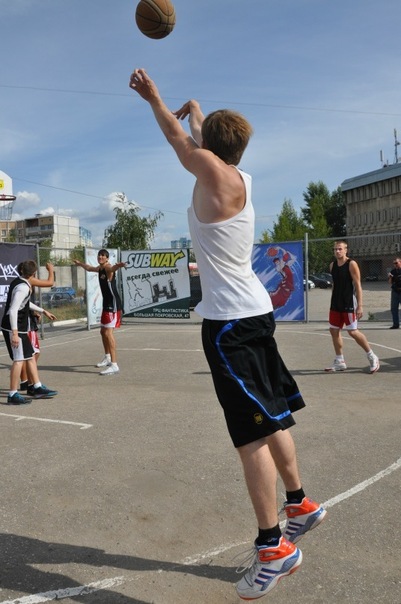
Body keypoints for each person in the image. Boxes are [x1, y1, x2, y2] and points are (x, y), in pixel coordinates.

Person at [129, 68, 326, 601]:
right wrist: (198, 110)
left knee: (249, 435)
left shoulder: (211, 174)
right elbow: (199, 137)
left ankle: (273, 548)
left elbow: (179, 140)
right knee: (272, 413)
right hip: (255, 313)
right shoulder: (241, 176)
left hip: (230, 326)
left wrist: (154, 97)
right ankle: (300, 504)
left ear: (211, 150)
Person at [1, 260, 58, 404]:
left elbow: (25, 302)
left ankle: (37, 387)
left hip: (18, 327)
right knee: (18, 360)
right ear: (33, 273)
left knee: (30, 356)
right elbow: (13, 310)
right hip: (14, 328)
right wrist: (15, 333)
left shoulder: (20, 282)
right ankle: (12, 395)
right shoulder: (23, 288)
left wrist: (43, 311)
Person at [325, 240, 380, 373]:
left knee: (353, 332)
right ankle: (340, 361)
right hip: (336, 303)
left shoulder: (351, 264)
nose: (337, 251)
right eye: (335, 249)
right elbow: (335, 285)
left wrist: (360, 306)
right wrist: (333, 301)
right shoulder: (332, 265)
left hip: (349, 302)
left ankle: (372, 356)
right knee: (333, 330)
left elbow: (358, 285)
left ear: (346, 250)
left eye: (340, 249)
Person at [74, 250, 126, 375]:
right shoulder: (100, 268)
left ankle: (114, 365)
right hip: (106, 304)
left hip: (112, 305)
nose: (100, 257)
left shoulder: (107, 267)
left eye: (103, 255)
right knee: (102, 331)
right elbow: (89, 268)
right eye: (99, 255)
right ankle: (107, 357)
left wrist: (118, 266)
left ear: (107, 258)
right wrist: (80, 264)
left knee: (108, 333)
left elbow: (112, 269)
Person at [18, 262, 57, 393]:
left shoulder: (19, 282)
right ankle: (32, 384)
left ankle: (26, 382)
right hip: (25, 323)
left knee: (25, 355)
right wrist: (51, 270)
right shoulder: (28, 280)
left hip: (25, 319)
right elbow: (50, 282)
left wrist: (36, 311)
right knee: (32, 354)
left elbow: (24, 303)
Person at [388, 257, 401, 329]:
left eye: (396, 263)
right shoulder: (393, 271)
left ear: (400, 262)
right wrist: (390, 277)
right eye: (394, 263)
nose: (395, 264)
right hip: (395, 291)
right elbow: (390, 282)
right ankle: (396, 324)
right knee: (394, 308)